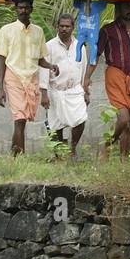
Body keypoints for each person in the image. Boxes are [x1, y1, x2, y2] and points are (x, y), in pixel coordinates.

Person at [84, 2, 130, 160]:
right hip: (114, 75)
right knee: (123, 117)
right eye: (126, 7)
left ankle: (124, 158)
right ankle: (107, 144)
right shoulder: (108, 30)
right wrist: (87, 78)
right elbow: (96, 55)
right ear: (118, 8)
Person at [0, 0, 58, 157]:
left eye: (26, 7)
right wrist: (0, 88)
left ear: (31, 9)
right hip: (13, 76)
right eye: (20, 7)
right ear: (16, 9)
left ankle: (13, 154)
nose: (23, 10)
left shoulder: (38, 31)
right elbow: (1, 59)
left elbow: (40, 59)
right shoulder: (6, 30)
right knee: (20, 118)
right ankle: (21, 157)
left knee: (23, 119)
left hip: (31, 78)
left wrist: (51, 66)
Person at [43, 13, 88, 161]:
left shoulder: (79, 45)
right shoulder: (49, 46)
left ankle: (72, 149)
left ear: (72, 28)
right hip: (56, 90)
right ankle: (59, 157)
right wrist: (44, 94)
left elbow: (84, 68)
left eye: (67, 26)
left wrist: (85, 90)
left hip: (75, 90)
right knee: (56, 125)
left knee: (81, 119)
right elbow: (43, 70)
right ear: (57, 27)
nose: (64, 29)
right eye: (61, 26)